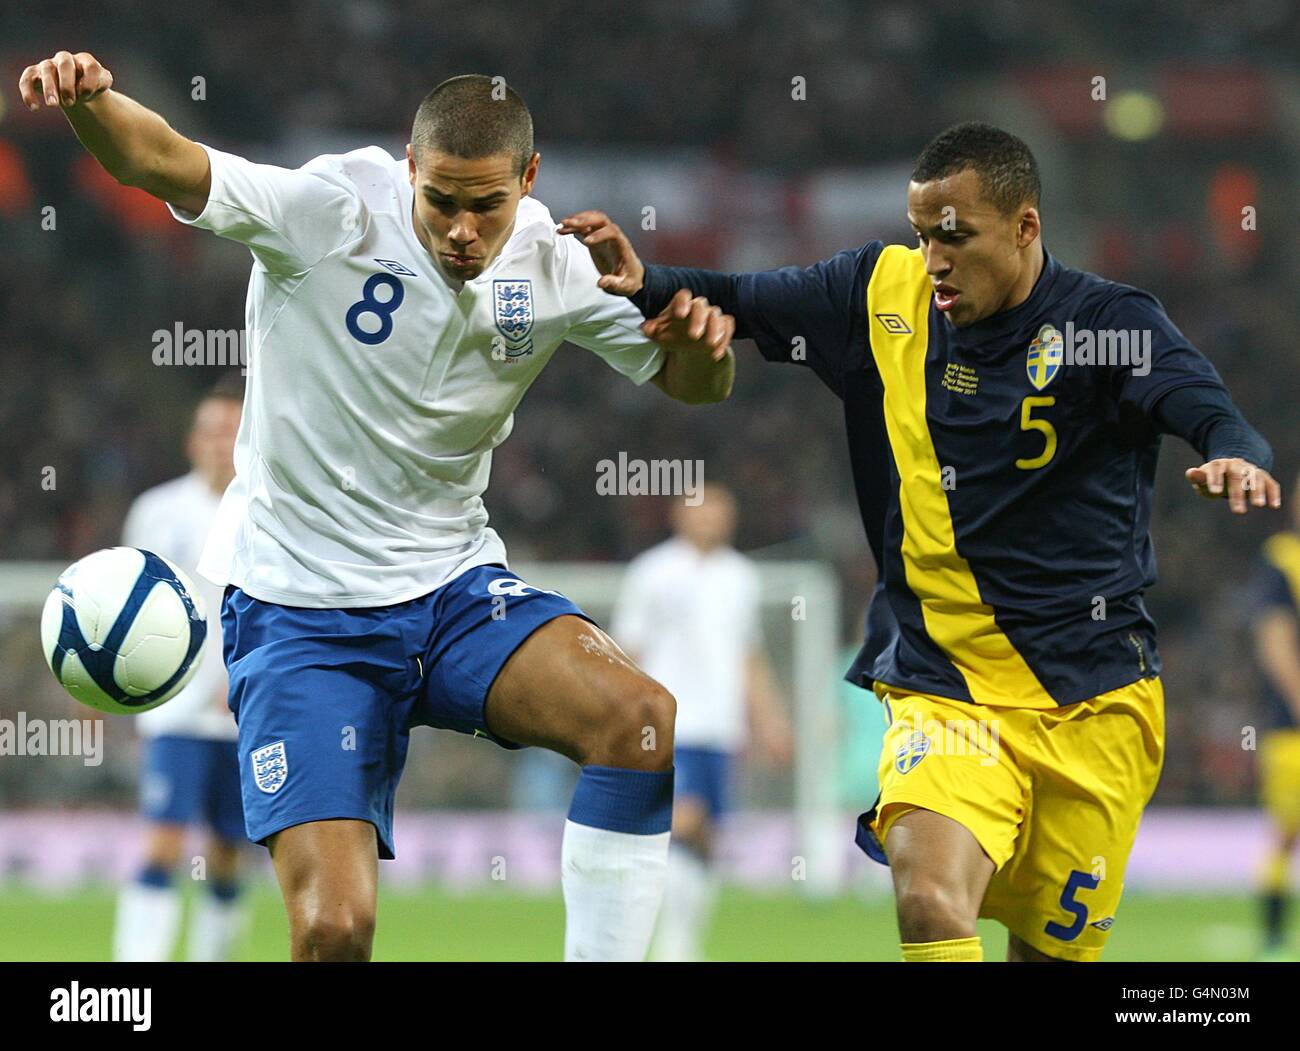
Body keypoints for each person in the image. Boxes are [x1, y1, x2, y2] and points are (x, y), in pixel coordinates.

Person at [22, 52, 737, 962]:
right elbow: (159, 159)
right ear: (408, 165)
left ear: (530, 179)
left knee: (638, 716)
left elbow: (689, 382)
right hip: (298, 610)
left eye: (487, 205)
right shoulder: (330, 210)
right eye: (441, 200)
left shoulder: (557, 264)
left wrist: (703, 350)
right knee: (333, 930)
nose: (464, 230)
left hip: (451, 590)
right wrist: (91, 103)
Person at [559, 121, 1281, 961]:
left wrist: (1234, 450)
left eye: (955, 236)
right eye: (922, 233)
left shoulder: (1105, 323)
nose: (934, 257)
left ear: (1025, 228)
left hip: (1094, 699)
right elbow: (746, 300)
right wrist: (649, 281)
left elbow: (1203, 403)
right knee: (930, 901)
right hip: (946, 686)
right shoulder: (879, 294)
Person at [611, 482, 791, 961]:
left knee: (709, 835)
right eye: (704, 511)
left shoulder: (741, 576)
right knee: (683, 820)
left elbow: (749, 657)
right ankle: (673, 947)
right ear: (680, 515)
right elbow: (629, 650)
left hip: (722, 727)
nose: (713, 520)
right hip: (672, 723)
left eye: (721, 512)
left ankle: (685, 942)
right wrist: (627, 719)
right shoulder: (653, 572)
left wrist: (768, 720)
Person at [113, 381, 244, 961]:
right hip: (173, 709)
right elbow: (122, 603)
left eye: (234, 433)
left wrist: (243, 678)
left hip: (243, 710)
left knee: (227, 853)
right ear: (193, 441)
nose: (222, 443)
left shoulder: (268, 515)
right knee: (164, 842)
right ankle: (135, 973)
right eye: (212, 431)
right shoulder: (156, 511)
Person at [1249, 474, 1300, 960]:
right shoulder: (1283, 558)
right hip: (1293, 735)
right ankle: (1271, 937)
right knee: (1286, 832)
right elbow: (1275, 639)